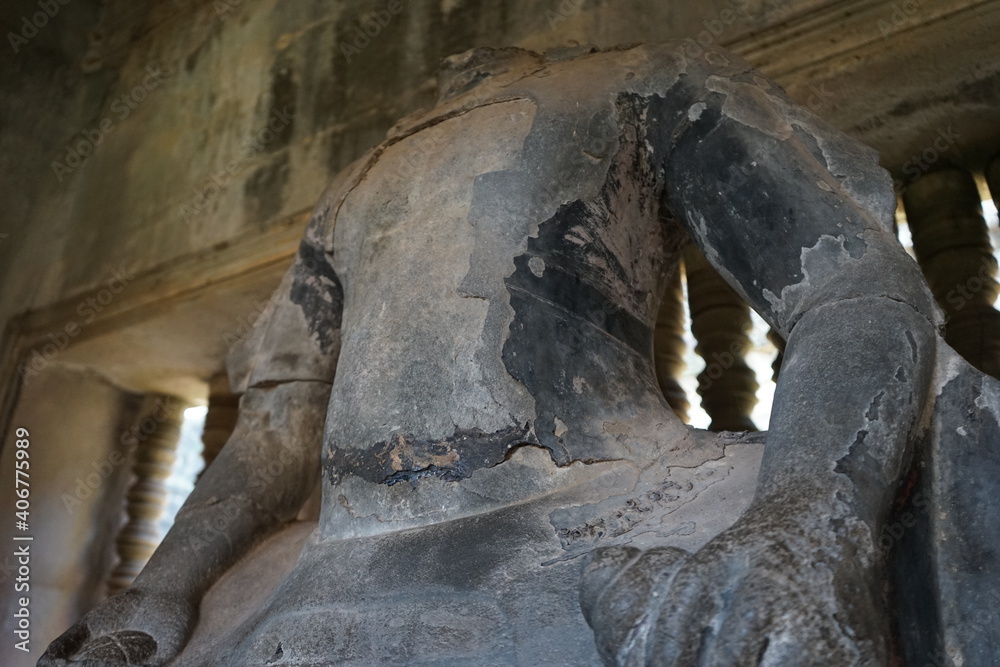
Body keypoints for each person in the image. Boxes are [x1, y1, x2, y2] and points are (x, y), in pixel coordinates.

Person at [40, 41, 946, 665]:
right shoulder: (356, 180)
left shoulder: (643, 79)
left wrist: (804, 516)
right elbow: (277, 424)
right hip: (328, 564)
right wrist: (158, 591)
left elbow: (851, 285)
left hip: (608, 515)